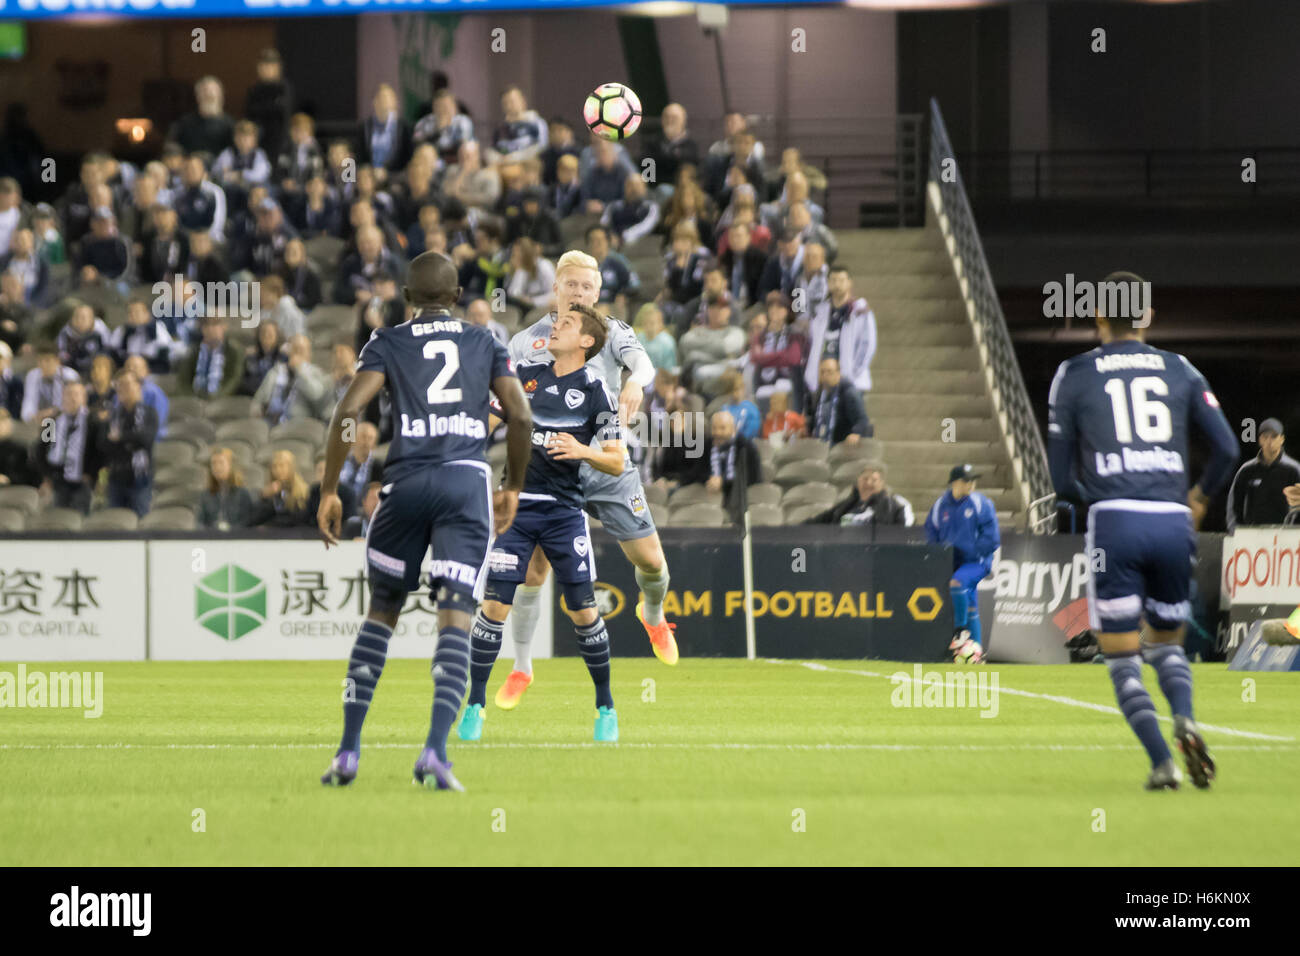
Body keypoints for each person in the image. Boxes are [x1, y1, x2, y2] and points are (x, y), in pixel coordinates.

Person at [317, 250, 532, 791]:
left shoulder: (386, 341)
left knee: (381, 613)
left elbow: (348, 413)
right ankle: (434, 752)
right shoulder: (486, 341)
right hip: (464, 485)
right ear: (458, 297)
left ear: (406, 300)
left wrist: (329, 490)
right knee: (456, 615)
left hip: (405, 483)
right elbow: (521, 416)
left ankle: (347, 753)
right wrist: (513, 488)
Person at [1047, 271, 1239, 790]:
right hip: (1173, 521)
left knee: (1122, 657)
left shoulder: (1074, 373)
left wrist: (1096, 493)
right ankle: (1187, 719)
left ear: (1099, 315)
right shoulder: (1181, 368)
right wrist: (1198, 499)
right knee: (1168, 646)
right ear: (1146, 316)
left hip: (1116, 522)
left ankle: (1162, 763)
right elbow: (1227, 450)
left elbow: (1058, 479)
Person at [500, 250, 678, 710]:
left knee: (654, 565)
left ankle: (652, 614)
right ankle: (521, 667)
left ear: (597, 293)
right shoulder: (527, 341)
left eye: (586, 287)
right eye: (571, 285)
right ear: (556, 288)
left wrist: (636, 382)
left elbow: (644, 366)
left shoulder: (613, 332)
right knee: (532, 573)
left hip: (604, 460)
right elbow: (510, 398)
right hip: (549, 469)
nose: (578, 293)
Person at [467, 304, 625, 744]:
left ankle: (606, 708)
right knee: (494, 606)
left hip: (563, 514)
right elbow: (488, 418)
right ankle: (474, 707)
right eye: (557, 321)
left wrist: (583, 451)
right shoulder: (527, 376)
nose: (555, 326)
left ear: (587, 342)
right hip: (515, 508)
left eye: (567, 324)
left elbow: (616, 459)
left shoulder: (597, 390)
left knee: (584, 612)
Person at [805, 266, 876, 394]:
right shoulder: (820, 311)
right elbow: (812, 341)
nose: (837, 285)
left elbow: (868, 344)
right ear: (828, 283)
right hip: (824, 377)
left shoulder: (860, 311)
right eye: (833, 280)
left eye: (842, 280)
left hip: (850, 380)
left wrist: (854, 372)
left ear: (849, 282)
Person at [100, 369, 158, 516]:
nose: (122, 389)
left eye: (126, 384)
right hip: (116, 476)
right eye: (119, 385)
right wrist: (130, 439)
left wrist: (121, 437)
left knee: (140, 519)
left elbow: (145, 439)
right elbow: (103, 443)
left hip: (140, 477)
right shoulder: (113, 414)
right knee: (115, 521)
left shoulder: (149, 412)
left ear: (138, 386)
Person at [1227, 418, 1300, 531]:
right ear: (1260, 440)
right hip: (1253, 536)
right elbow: (1235, 504)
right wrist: (1235, 532)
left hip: (1285, 538)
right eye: (1265, 437)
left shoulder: (1293, 469)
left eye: (1274, 437)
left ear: (1282, 439)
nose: (1269, 441)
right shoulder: (1247, 470)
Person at [37, 381, 98, 514]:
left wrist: (91, 474)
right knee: (59, 516)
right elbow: (41, 450)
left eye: (76, 394)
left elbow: (99, 451)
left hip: (82, 479)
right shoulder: (51, 422)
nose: (72, 398)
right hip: (58, 479)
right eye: (68, 394)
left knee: (80, 516)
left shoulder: (93, 421)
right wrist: (47, 475)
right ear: (62, 397)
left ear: (84, 398)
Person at [254, 334, 332, 424]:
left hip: (298, 424)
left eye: (301, 350)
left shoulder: (316, 373)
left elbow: (316, 395)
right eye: (295, 349)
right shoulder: (276, 371)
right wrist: (257, 410)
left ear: (309, 354)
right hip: (270, 421)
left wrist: (300, 370)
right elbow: (259, 398)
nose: (297, 353)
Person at [808, 463, 912, 526]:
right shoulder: (845, 505)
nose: (868, 483)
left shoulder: (893, 506)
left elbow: (902, 533)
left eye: (874, 480)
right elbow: (820, 521)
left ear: (882, 484)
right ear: (858, 482)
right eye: (865, 479)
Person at [806, 358, 872, 446]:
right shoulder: (819, 394)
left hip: (841, 447)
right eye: (822, 372)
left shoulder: (849, 393)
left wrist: (855, 433)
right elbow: (816, 418)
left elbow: (862, 420)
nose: (825, 376)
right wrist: (807, 429)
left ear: (838, 374)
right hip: (821, 445)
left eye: (829, 372)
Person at [177, 315, 245, 399]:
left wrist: (216, 398)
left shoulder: (234, 351)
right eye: (206, 325)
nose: (211, 329)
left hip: (223, 400)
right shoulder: (194, 351)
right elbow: (183, 380)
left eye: (215, 324)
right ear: (202, 329)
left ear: (224, 326)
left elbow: (234, 380)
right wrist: (191, 398)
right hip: (195, 400)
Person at [199, 447, 255, 530]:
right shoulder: (205, 495)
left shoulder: (243, 494)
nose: (217, 467)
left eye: (221, 463)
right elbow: (200, 523)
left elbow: (248, 522)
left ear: (230, 465)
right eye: (214, 463)